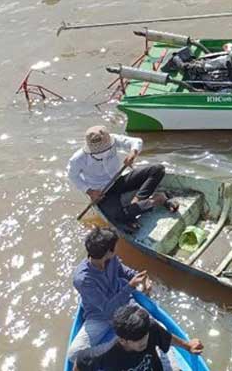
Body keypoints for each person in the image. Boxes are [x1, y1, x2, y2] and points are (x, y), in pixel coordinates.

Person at [67, 227, 151, 365]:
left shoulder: (111, 259)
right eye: (115, 247)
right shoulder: (83, 279)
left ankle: (122, 343)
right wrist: (130, 286)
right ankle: (117, 344)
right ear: (108, 252)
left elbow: (125, 272)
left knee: (152, 327)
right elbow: (107, 309)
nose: (116, 250)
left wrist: (143, 278)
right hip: (99, 317)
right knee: (74, 355)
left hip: (125, 306)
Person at [67, 126, 176, 231]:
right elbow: (72, 175)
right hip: (102, 192)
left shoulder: (113, 139)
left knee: (158, 169)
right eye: (99, 152)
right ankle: (157, 200)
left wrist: (133, 153)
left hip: (119, 180)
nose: (104, 153)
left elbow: (136, 141)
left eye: (106, 149)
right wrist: (90, 191)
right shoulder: (78, 158)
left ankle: (137, 201)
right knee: (117, 217)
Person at [78, 303, 204, 371]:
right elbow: (81, 361)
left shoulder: (150, 328)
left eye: (145, 336)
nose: (144, 341)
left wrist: (188, 346)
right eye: (138, 341)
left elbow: (168, 338)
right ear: (123, 340)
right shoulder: (106, 354)